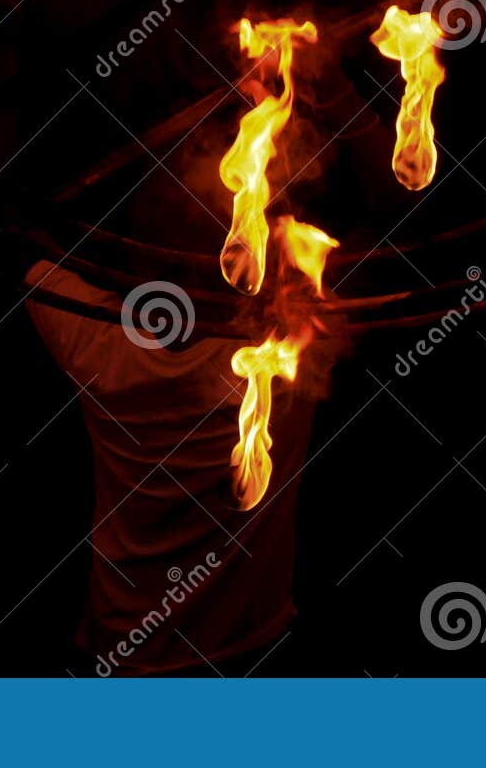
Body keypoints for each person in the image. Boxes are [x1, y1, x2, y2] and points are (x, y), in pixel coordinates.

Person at [24, 260, 315, 676]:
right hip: (249, 642)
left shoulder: (96, 346)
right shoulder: (281, 360)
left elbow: (26, 256)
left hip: (126, 642)